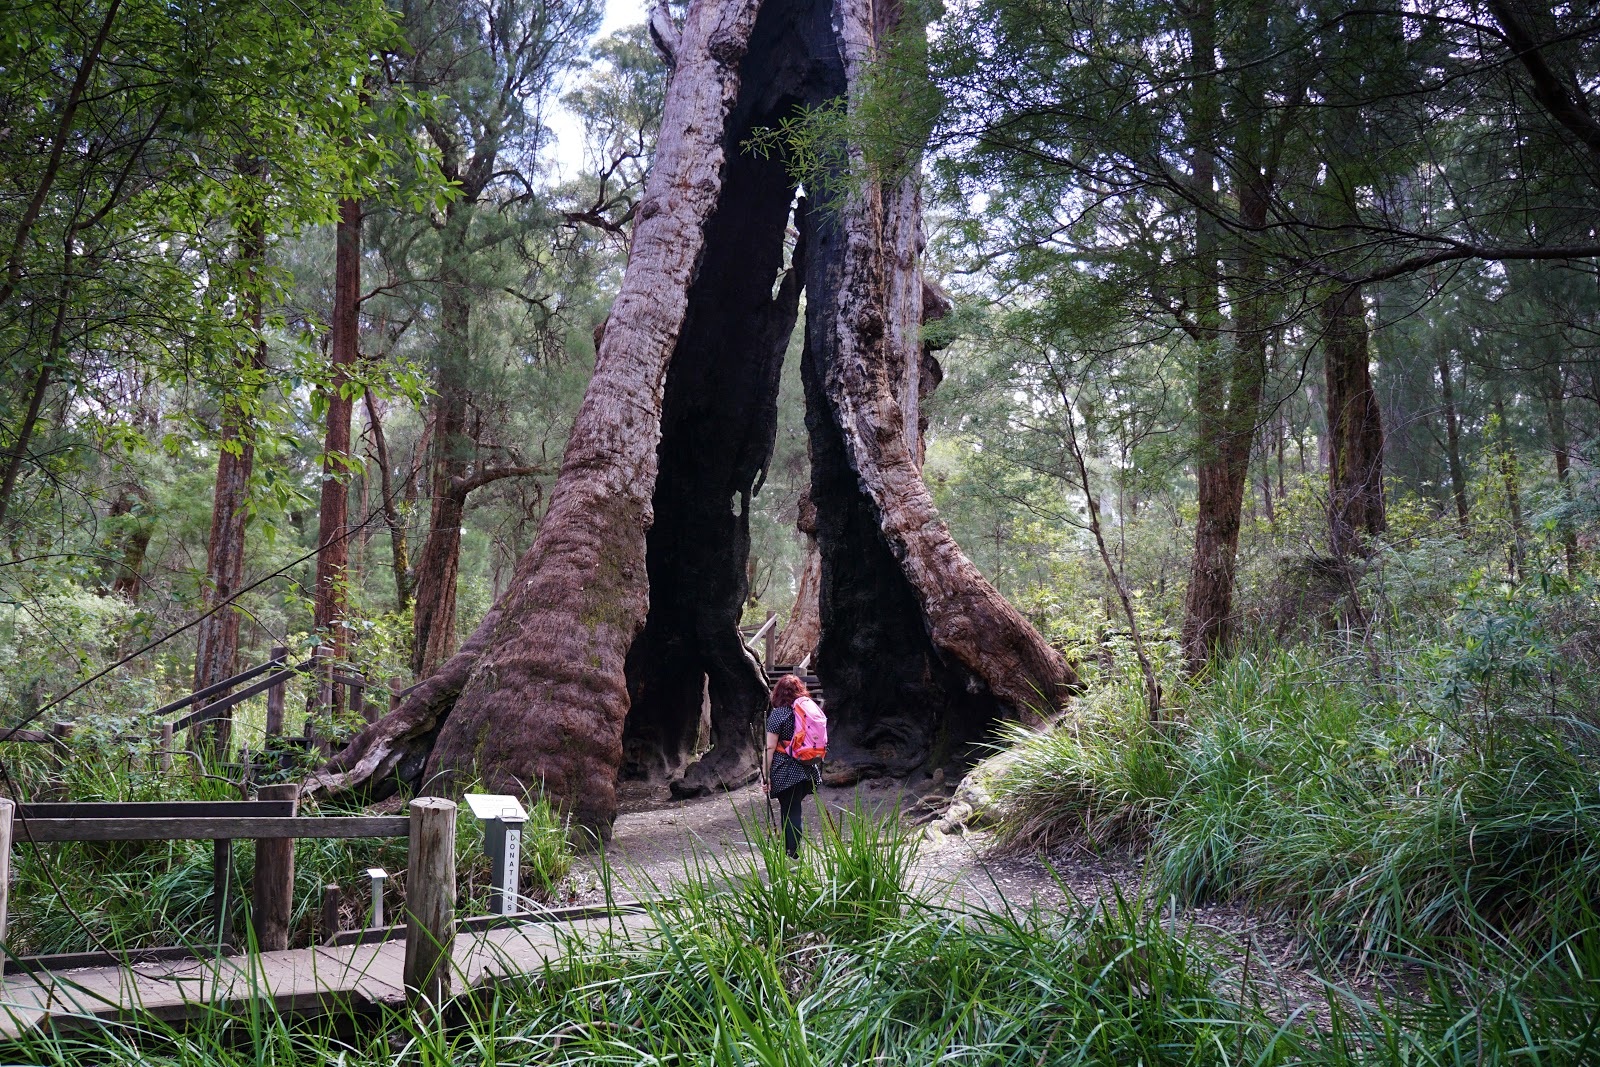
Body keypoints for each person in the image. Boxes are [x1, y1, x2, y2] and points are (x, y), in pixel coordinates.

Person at [764, 673, 821, 859]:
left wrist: (765, 776)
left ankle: (792, 854)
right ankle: (790, 850)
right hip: (807, 768)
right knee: (792, 809)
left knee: (790, 811)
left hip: (785, 770)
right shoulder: (804, 712)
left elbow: (770, 747)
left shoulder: (778, 714)